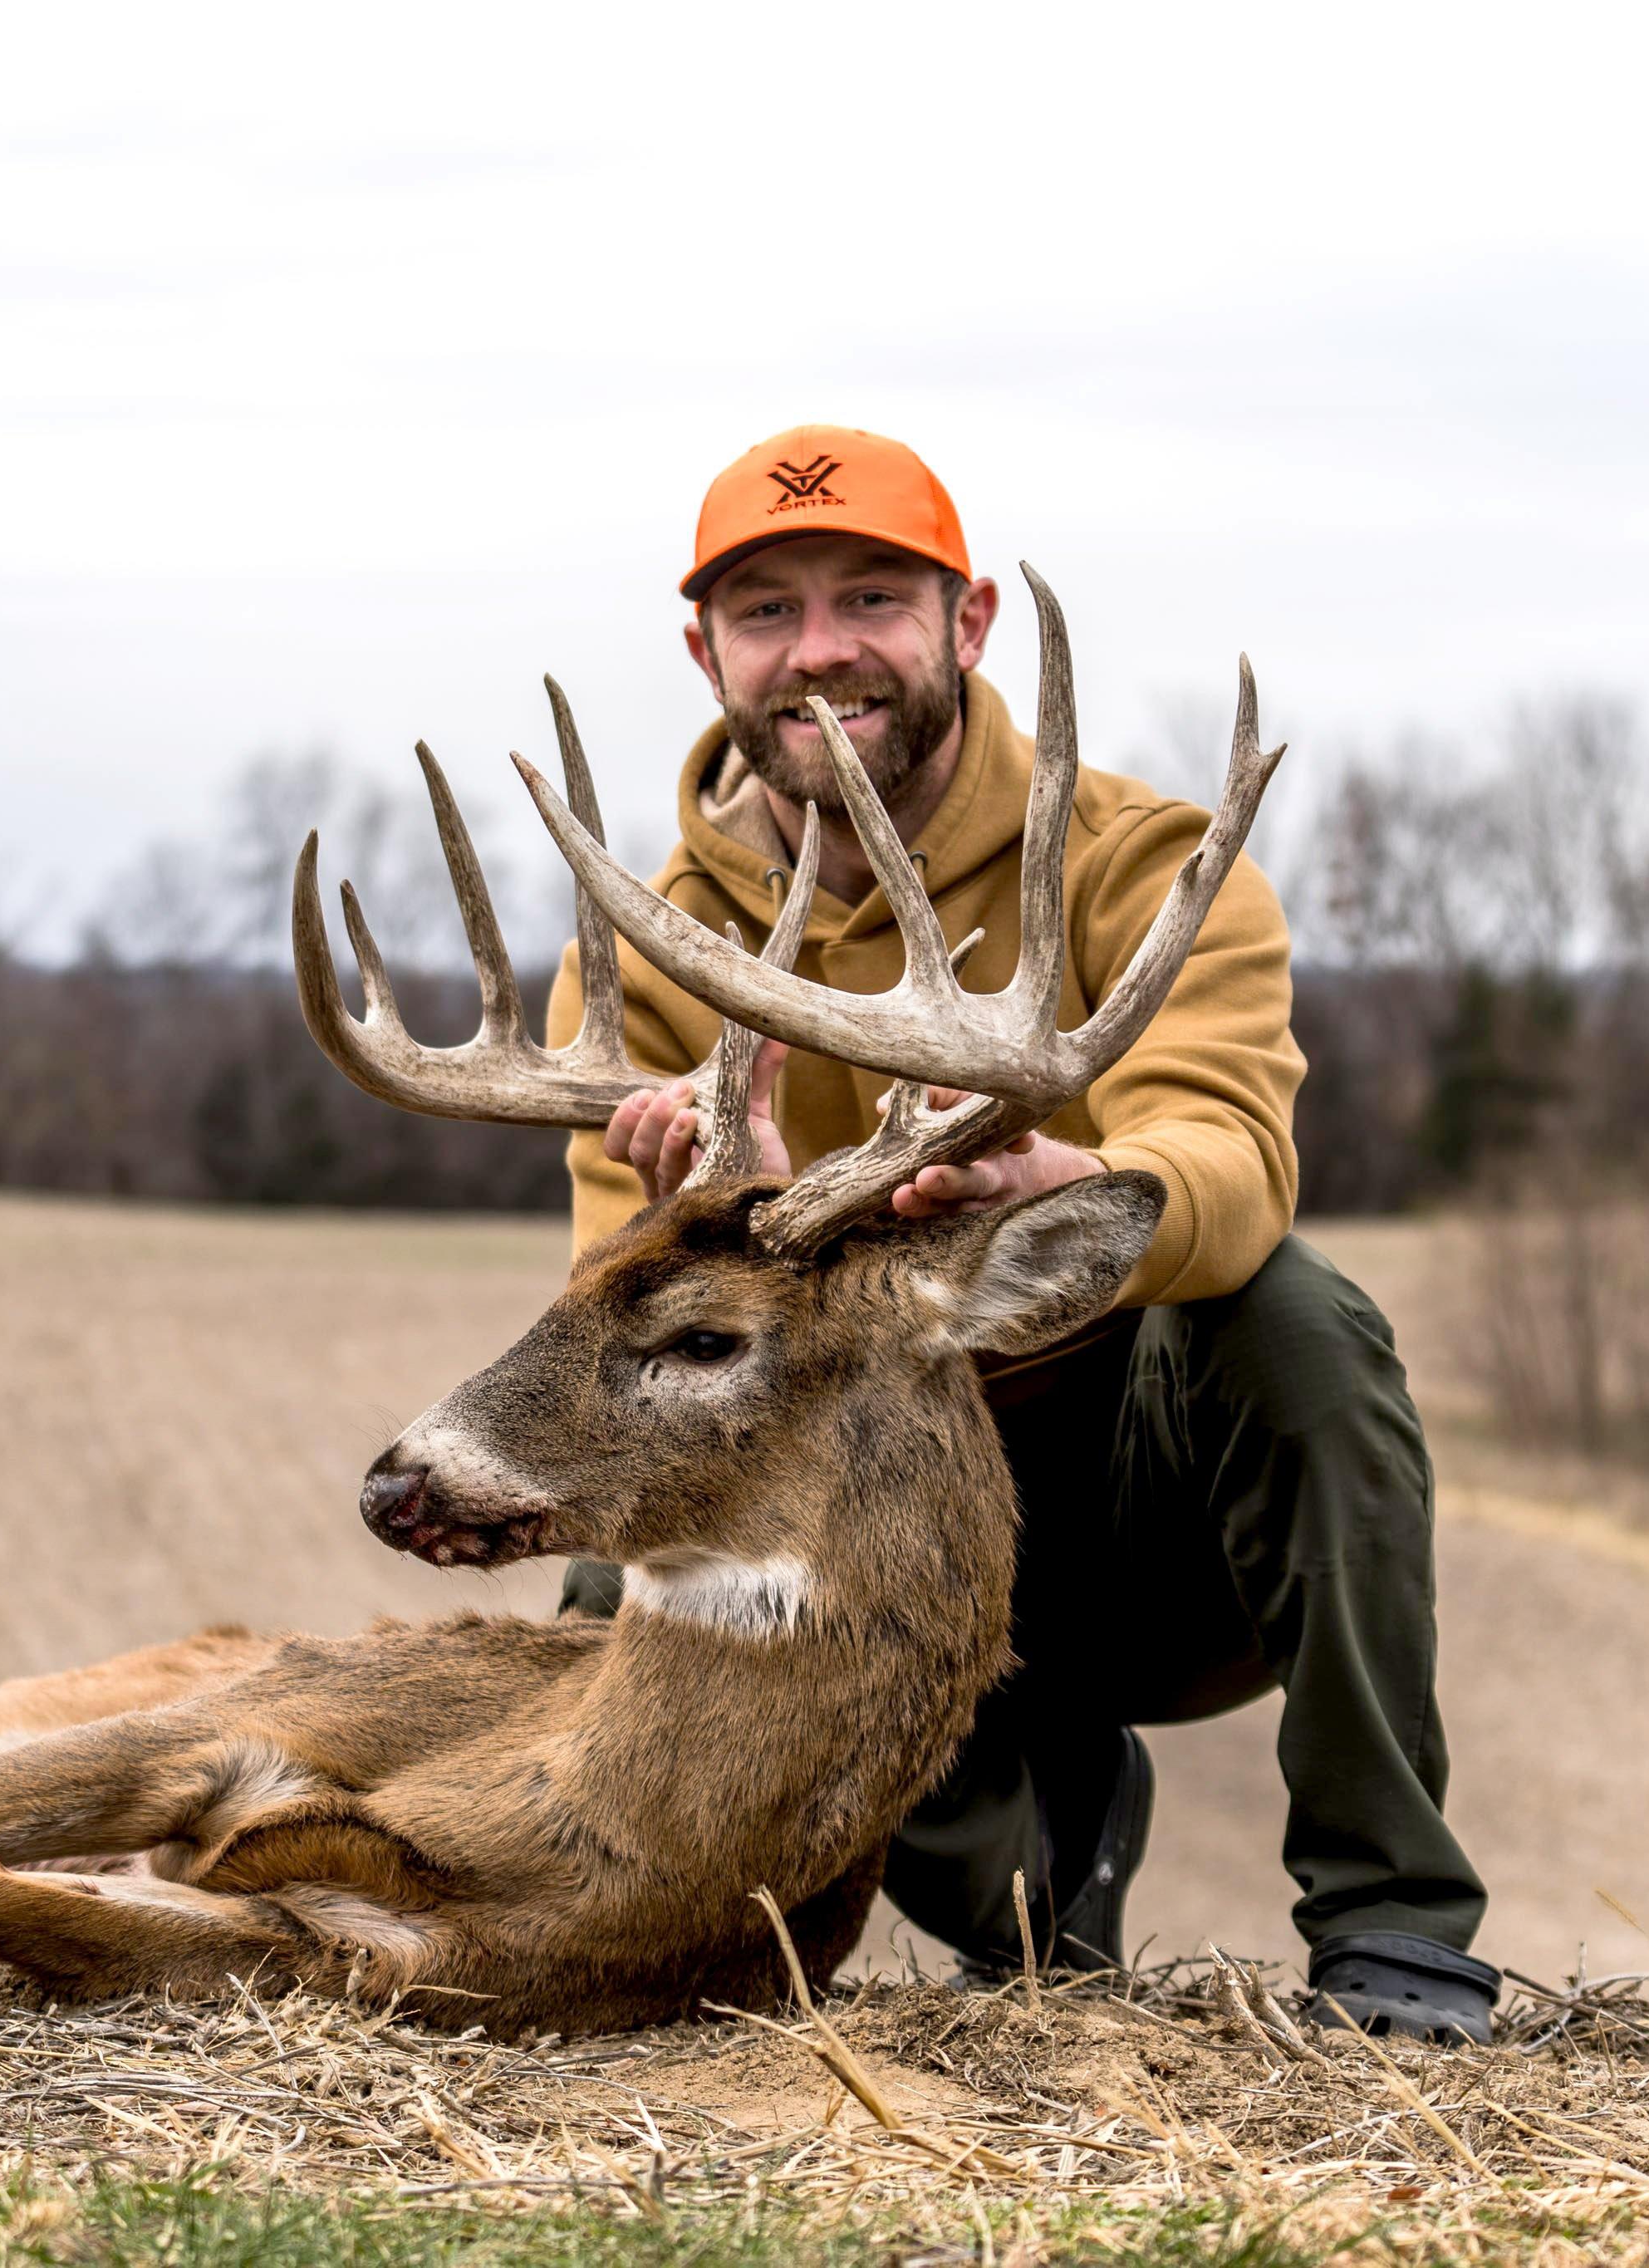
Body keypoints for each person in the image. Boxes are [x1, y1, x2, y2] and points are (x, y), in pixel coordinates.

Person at [543, 425, 1496, 2040]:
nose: (819, 648)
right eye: (764, 612)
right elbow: (611, 1327)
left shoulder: (1145, 868)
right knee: (619, 1540)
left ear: (965, 623)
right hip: (867, 1522)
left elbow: (1228, 1153)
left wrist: (1086, 1200)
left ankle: (1392, 1924)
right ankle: (1013, 1863)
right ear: (702, 652)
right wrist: (737, 1223)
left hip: (1143, 1526)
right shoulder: (646, 951)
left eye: (868, 597)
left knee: (1294, 1319)